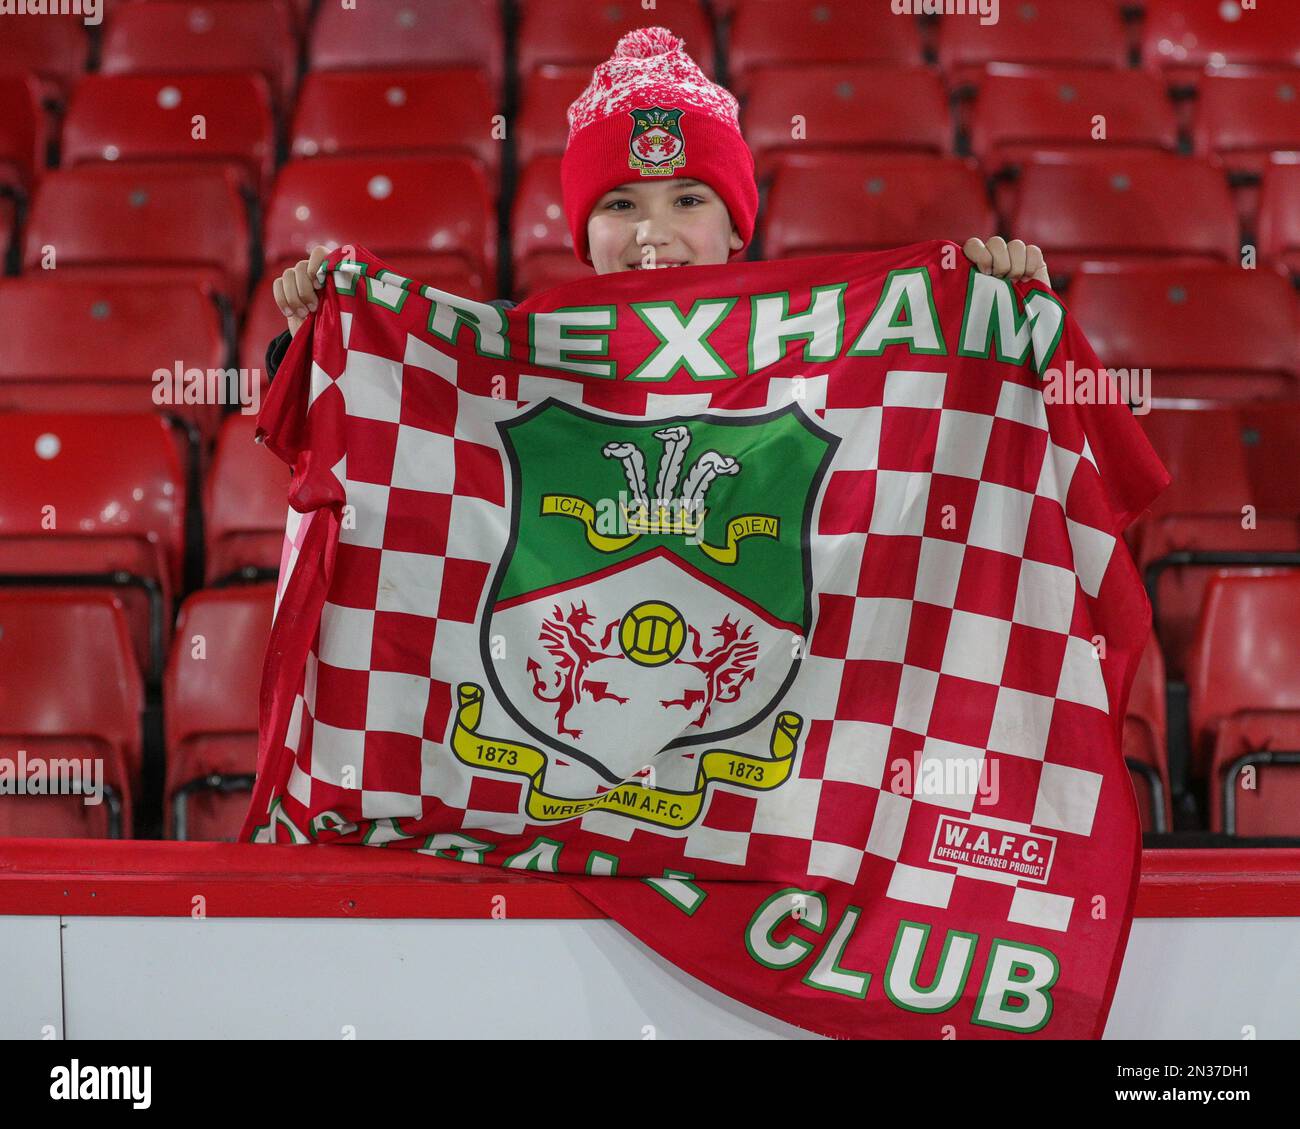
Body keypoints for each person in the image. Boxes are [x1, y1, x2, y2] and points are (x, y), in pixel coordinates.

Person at [264, 26, 1050, 381]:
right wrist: (317, 351)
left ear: (738, 226)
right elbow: (383, 441)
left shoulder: (823, 343)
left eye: (687, 198)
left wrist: (1008, 322)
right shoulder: (510, 353)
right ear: (581, 232)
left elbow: (944, 437)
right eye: (619, 204)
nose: (653, 232)